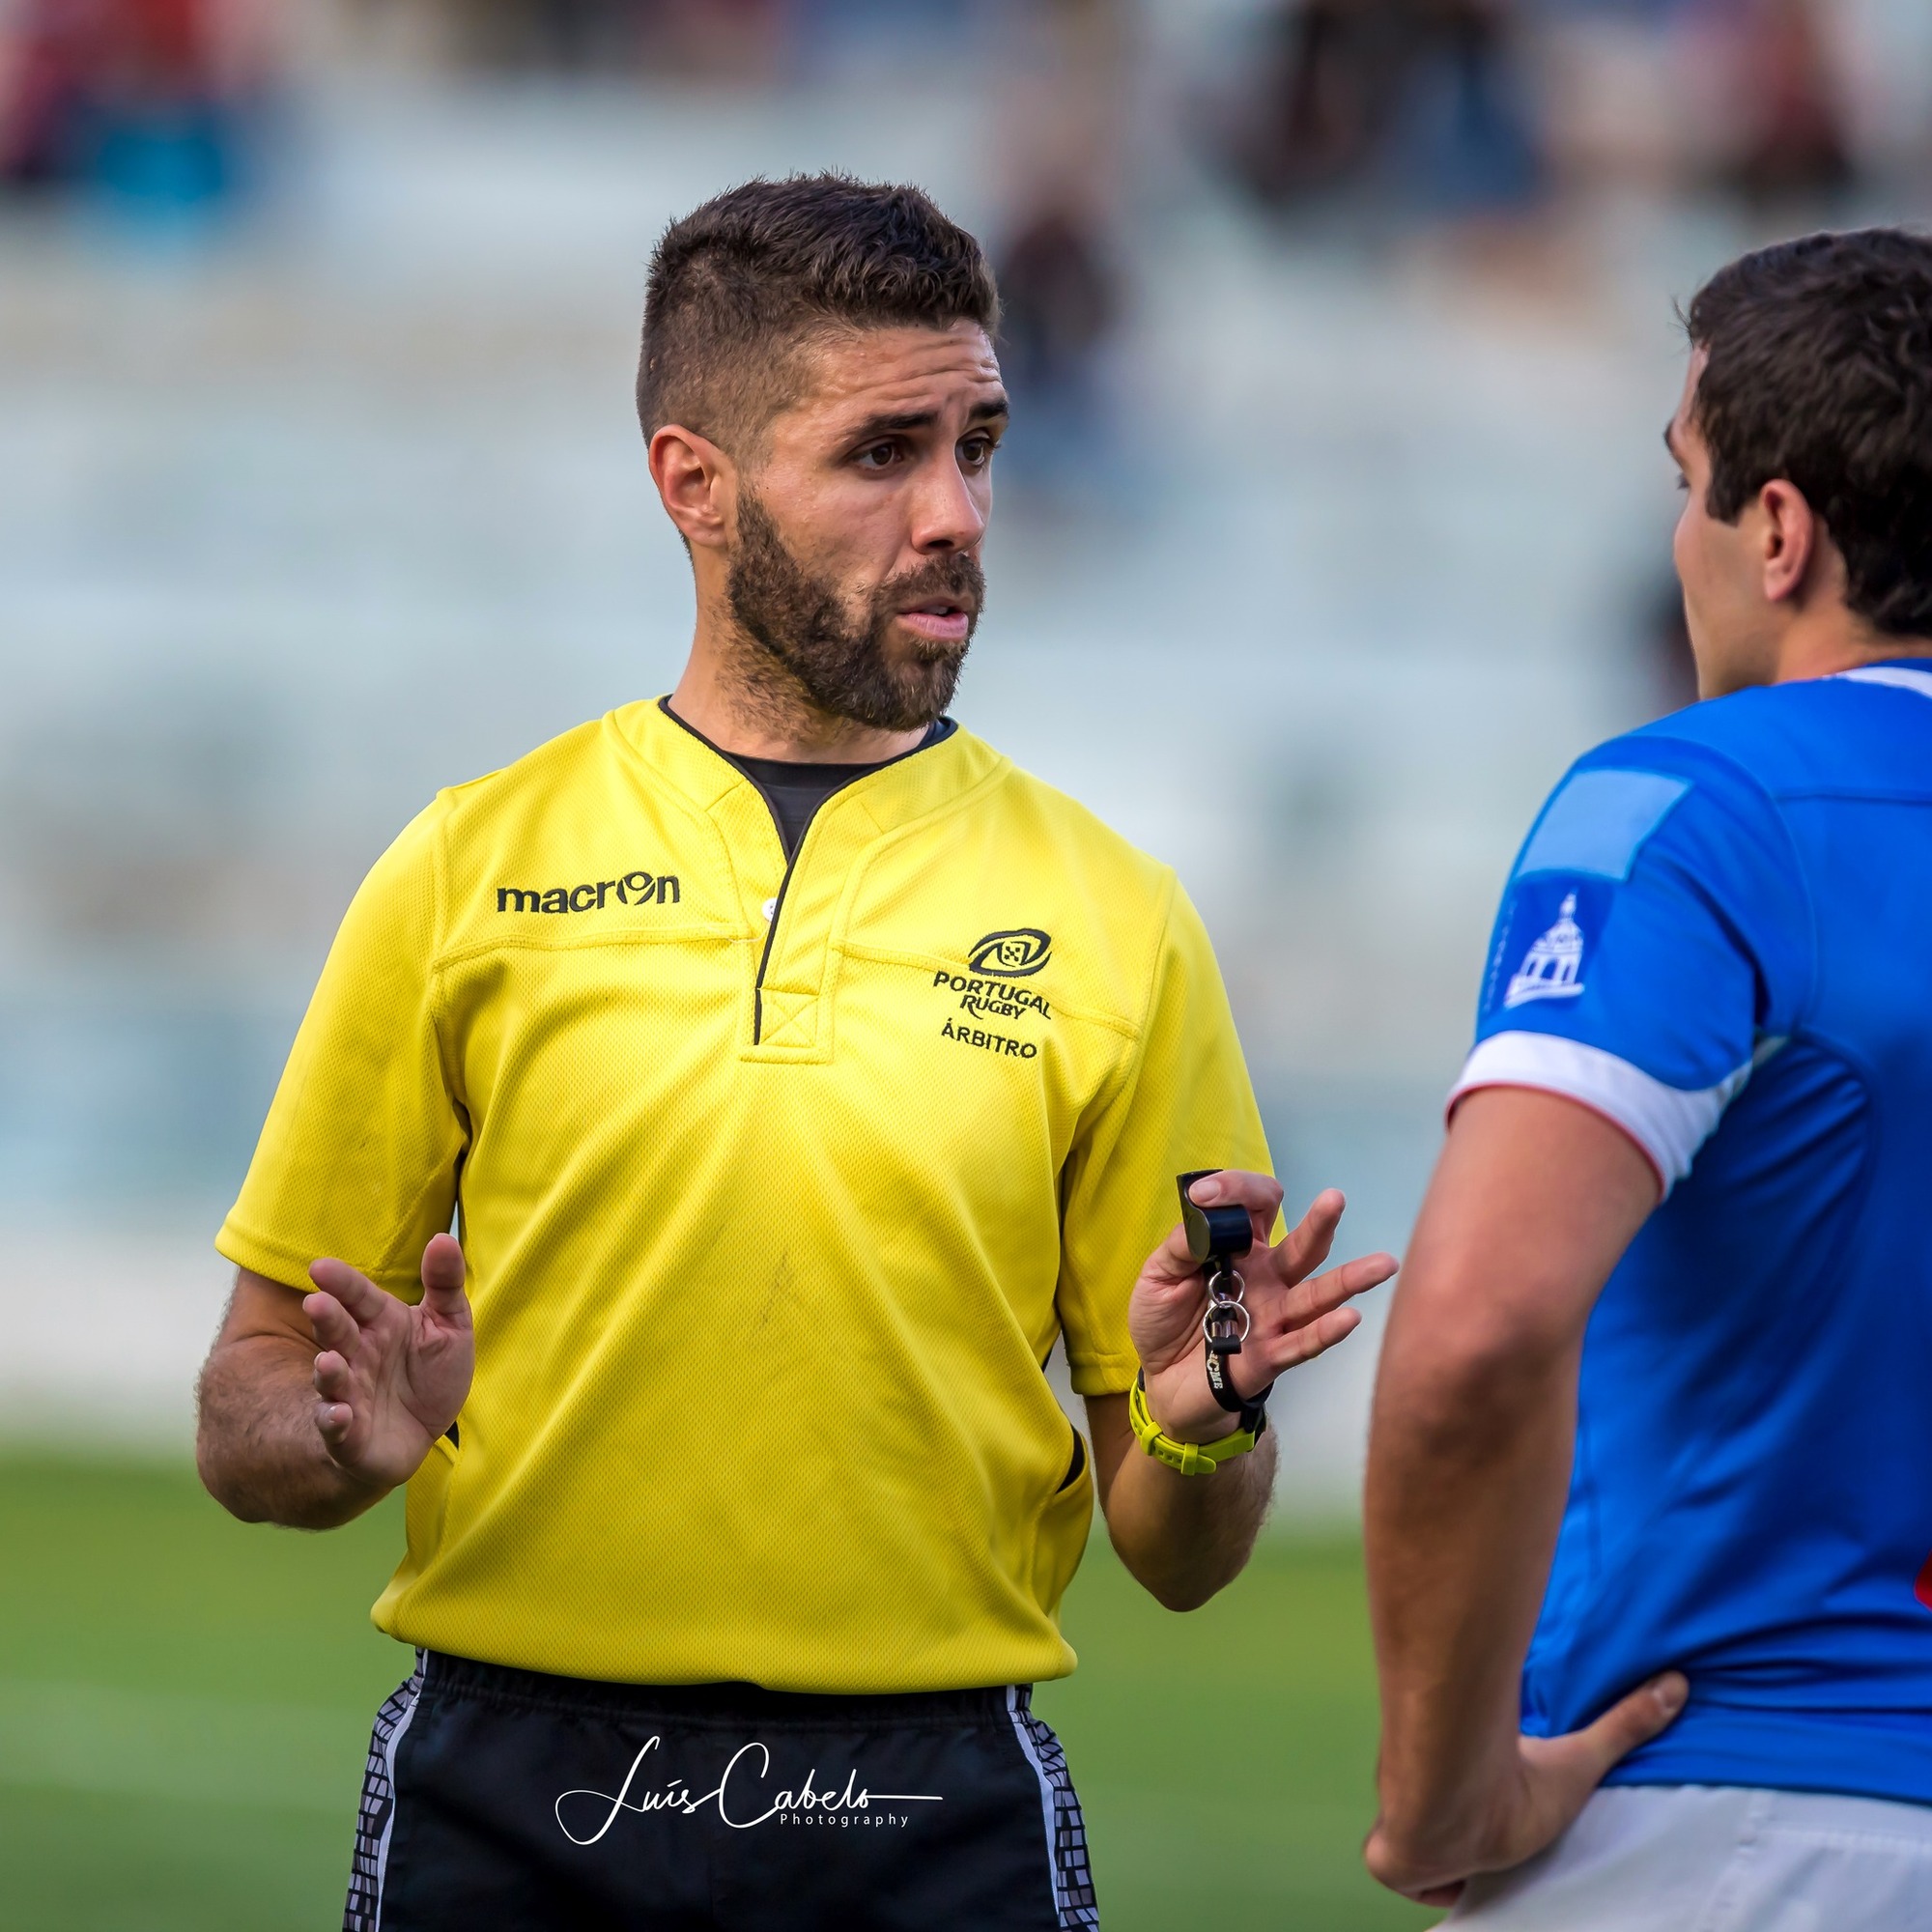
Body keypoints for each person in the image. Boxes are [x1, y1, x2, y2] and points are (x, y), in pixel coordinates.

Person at [193, 174, 1395, 1932]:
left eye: (979, 443)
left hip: (932, 1813)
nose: (958, 513)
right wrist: (332, 1437)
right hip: (513, 1802)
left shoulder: (1120, 917)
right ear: (697, 482)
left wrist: (1205, 1433)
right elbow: (240, 1413)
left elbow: (1175, 1549)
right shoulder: (468, 867)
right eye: (882, 453)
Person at [1359, 227, 1932, 1924]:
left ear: (1778, 533)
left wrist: (1442, 1789)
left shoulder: (1692, 807)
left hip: (1733, 1816)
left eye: (1682, 487)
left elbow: (1475, 1334)